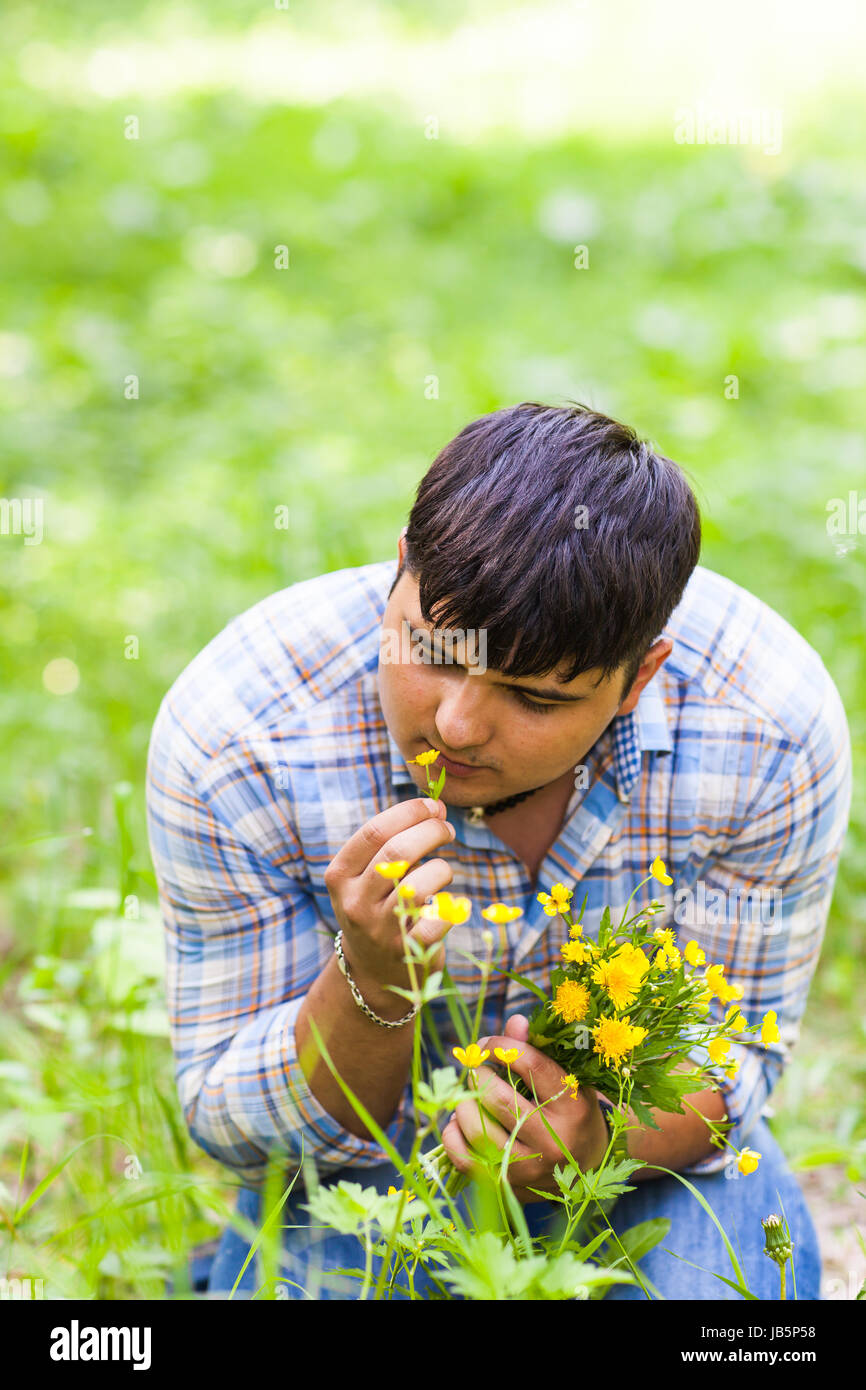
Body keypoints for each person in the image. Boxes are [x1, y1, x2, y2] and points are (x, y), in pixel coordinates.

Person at [146, 401, 851, 1300]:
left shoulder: (768, 730)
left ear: (639, 677)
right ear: (401, 565)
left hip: (633, 1166)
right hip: (360, 1179)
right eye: (434, 652)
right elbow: (233, 1129)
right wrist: (372, 985)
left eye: (536, 699)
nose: (457, 723)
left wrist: (591, 1142)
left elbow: (735, 1064)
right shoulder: (239, 735)